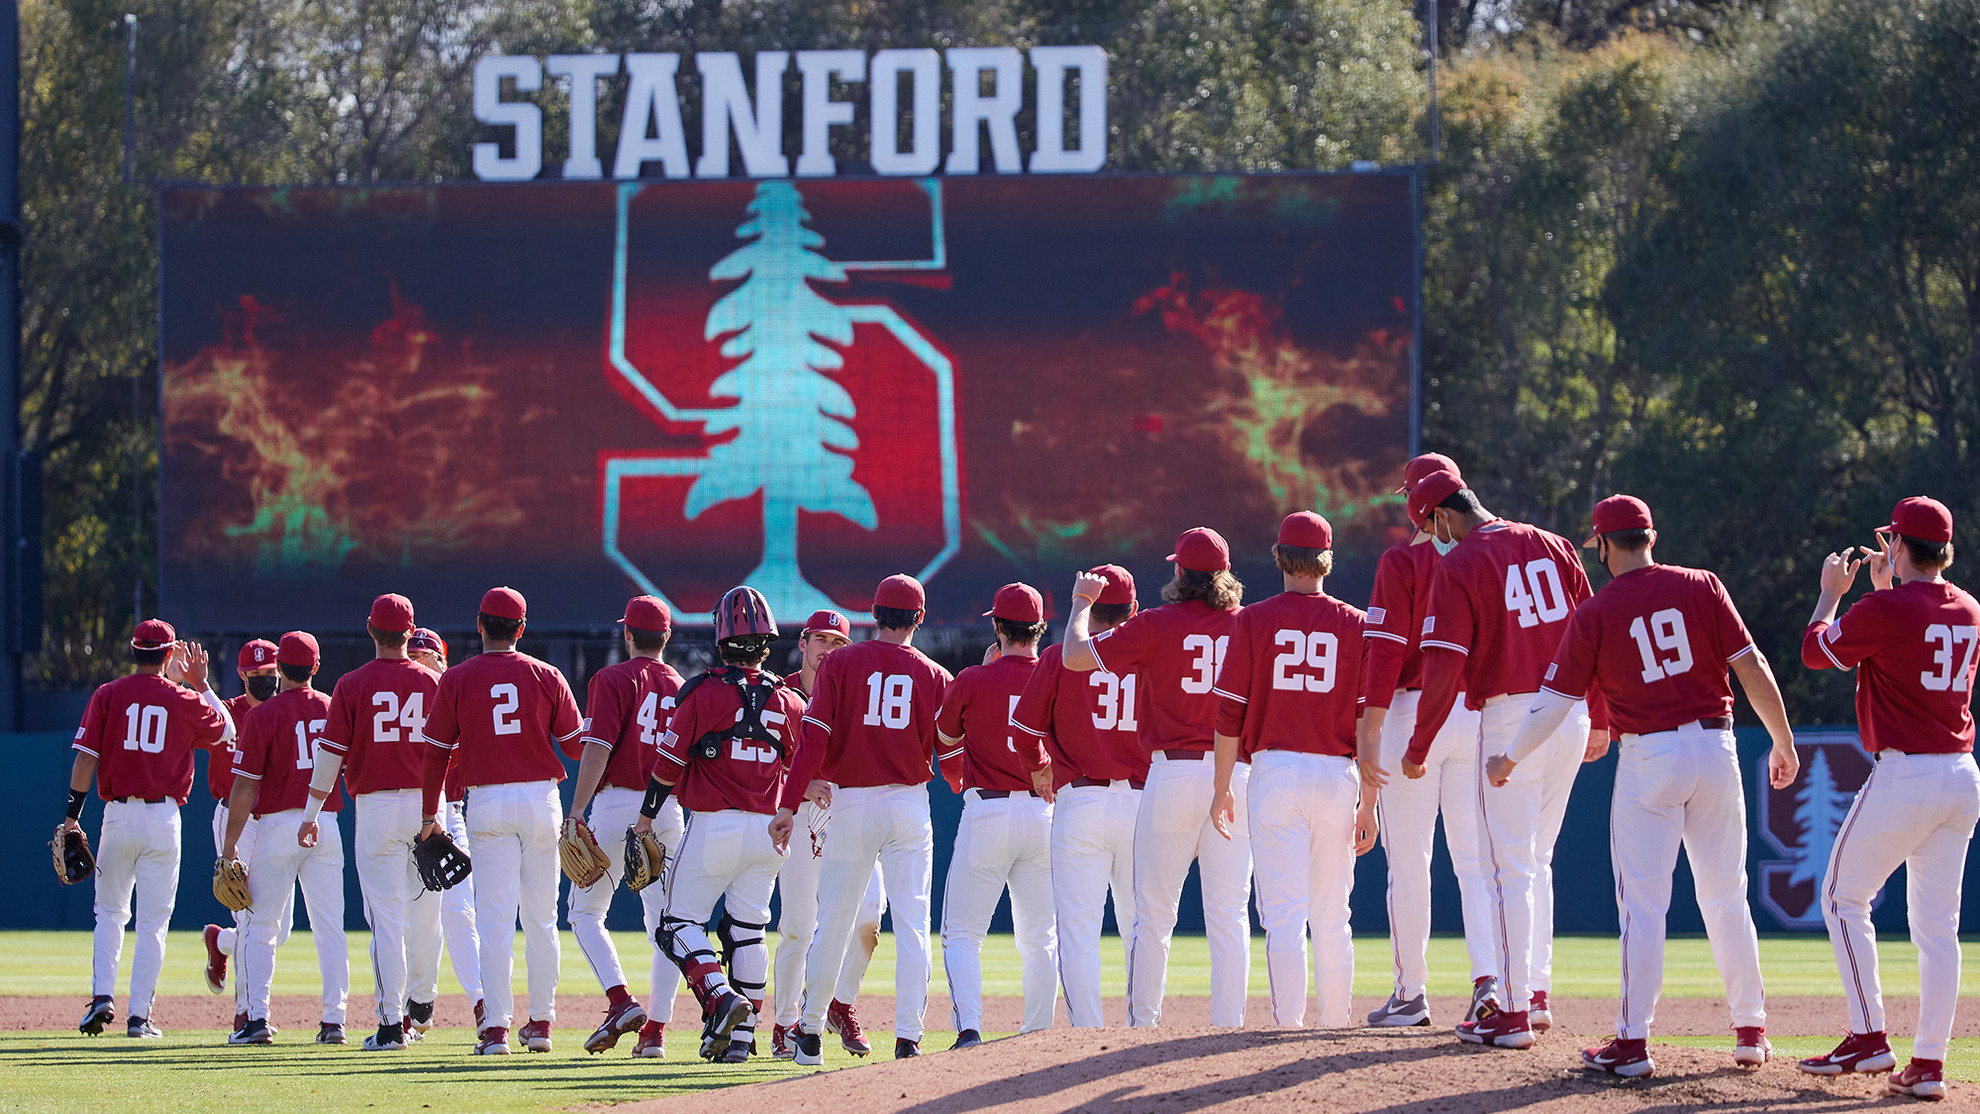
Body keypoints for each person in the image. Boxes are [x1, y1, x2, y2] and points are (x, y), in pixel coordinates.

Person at [1487, 495, 1797, 1077]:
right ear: (1651, 537)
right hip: (1716, 743)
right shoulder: (1702, 585)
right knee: (1726, 893)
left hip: (1650, 755)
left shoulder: (1597, 611)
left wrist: (1509, 756)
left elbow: (1554, 704)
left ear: (1603, 546)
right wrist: (1782, 739)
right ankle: (1751, 1029)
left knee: (1644, 905)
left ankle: (1632, 1043)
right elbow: (1752, 667)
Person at [1404, 471, 1608, 1049]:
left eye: (1427, 524)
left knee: (1506, 867)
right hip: (1568, 715)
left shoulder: (1461, 562)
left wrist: (1418, 745)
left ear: (1444, 515)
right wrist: (1604, 713)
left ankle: (1511, 1011)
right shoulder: (1552, 542)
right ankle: (1535, 993)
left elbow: (1442, 667)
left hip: (1510, 717)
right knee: (1535, 862)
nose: (1428, 536)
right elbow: (1595, 630)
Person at [1798, 496, 1979, 1101]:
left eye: (1892, 541)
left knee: (1841, 896)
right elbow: (1910, 634)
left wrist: (1832, 596)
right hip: (1961, 774)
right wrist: (1887, 589)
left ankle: (1869, 1035)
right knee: (1938, 930)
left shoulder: (1885, 607)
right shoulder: (1969, 607)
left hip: (1907, 773)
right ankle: (1928, 1064)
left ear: (1900, 545)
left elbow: (1814, 653)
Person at [1062, 527, 1249, 1028]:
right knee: (1229, 915)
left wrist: (1082, 604)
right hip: (1236, 775)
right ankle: (1228, 1028)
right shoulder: (1249, 624)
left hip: (1172, 776)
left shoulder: (1156, 624)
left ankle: (1142, 1027)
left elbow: (1074, 657)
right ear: (1225, 574)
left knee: (1154, 916)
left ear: (1181, 574)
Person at [774, 573, 953, 1064]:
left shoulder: (840, 663)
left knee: (833, 918)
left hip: (849, 802)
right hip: (908, 803)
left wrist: (789, 805)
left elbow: (812, 738)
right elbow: (951, 752)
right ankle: (908, 1038)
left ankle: (808, 1034)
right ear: (919, 617)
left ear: (874, 615)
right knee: (914, 923)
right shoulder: (937, 676)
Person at [1209, 512, 1378, 1027]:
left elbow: (1229, 711)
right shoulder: (1357, 623)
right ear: (1326, 560)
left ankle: (1288, 1026)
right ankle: (1335, 1025)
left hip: (1275, 770)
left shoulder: (1253, 619)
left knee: (1283, 916)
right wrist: (1370, 803)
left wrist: (1221, 788)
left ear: (1280, 555)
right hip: (1337, 773)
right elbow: (1369, 723)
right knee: (1333, 914)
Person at [1358, 457, 1496, 1028]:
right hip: (1480, 710)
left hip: (1414, 708)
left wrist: (1368, 731)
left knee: (1410, 864)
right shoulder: (1491, 551)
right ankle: (1494, 984)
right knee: (1478, 860)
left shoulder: (1403, 559)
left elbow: (1386, 652)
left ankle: (1411, 993)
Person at [641, 586, 806, 1064]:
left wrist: (646, 818)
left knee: (676, 925)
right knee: (749, 932)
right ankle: (741, 1038)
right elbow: (800, 768)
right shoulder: (789, 700)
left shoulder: (703, 691)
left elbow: (668, 764)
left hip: (715, 824)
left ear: (721, 638)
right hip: (769, 831)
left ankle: (719, 997)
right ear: (768, 641)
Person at [417, 587, 584, 1055]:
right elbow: (575, 745)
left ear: (479, 624)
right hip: (540, 800)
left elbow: (435, 755)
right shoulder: (546, 674)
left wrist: (430, 814)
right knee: (543, 919)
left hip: (487, 802)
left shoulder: (457, 679)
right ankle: (543, 1024)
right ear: (522, 629)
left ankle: (495, 1030)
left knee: (493, 922)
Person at [65, 620, 234, 1039]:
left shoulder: (108, 694)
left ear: (133, 650)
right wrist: (199, 684)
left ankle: (103, 995)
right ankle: (139, 1018)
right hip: (163, 819)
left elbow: (86, 759)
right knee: (153, 924)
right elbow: (228, 732)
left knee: (108, 913)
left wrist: (72, 816)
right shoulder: (180, 698)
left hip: (117, 815)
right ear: (169, 653)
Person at [304, 595, 445, 1052]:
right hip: (428, 805)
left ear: (370, 629)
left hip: (378, 808)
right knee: (426, 912)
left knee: (385, 918)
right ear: (411, 631)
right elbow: (450, 753)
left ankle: (390, 1024)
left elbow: (330, 756)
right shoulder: (432, 681)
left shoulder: (350, 684)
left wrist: (311, 812)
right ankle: (421, 1000)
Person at [1013, 564, 1147, 1029]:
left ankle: (1087, 1034)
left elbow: (1024, 733)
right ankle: (1142, 1029)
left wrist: (1039, 768)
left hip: (1080, 802)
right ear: (1133, 610)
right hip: (1143, 802)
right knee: (1142, 927)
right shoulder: (1152, 654)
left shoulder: (1056, 658)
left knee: (1078, 930)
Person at [565, 596, 688, 1058]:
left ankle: (620, 1001)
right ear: (667, 636)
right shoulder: (683, 684)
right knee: (666, 922)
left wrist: (577, 810)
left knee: (583, 913)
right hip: (668, 809)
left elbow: (597, 746)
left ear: (629, 635)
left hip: (618, 805)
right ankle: (654, 1032)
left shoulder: (612, 678)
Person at [936, 583, 1056, 1048]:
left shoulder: (971, 678)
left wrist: (984, 680)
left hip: (987, 810)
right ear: (1040, 629)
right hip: (1043, 812)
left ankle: (970, 1030)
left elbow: (945, 739)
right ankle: (1039, 1032)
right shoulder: (1056, 674)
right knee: (1041, 934)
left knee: (962, 935)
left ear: (998, 627)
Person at [222, 631, 350, 1046]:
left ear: (279, 669)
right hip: (324, 824)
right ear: (315, 667)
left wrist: (228, 848)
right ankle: (334, 1022)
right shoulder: (334, 707)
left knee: (261, 926)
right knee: (330, 927)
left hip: (278, 827)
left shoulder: (262, 715)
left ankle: (256, 1019)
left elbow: (243, 788)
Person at [770, 609, 888, 1059]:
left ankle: (840, 1004)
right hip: (799, 815)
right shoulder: (778, 694)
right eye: (821, 639)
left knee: (869, 918)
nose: (828, 649)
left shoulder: (858, 691)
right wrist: (799, 784)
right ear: (803, 643)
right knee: (799, 928)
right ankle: (785, 1024)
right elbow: (760, 761)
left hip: (850, 812)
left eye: (838, 643)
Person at [200, 639, 293, 1034]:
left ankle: (220, 942)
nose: (264, 681)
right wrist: (198, 686)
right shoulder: (230, 712)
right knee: (252, 919)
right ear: (241, 675)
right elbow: (208, 718)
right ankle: (246, 1012)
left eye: (270, 674)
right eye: (256, 675)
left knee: (278, 929)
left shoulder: (285, 711)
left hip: (272, 820)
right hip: (235, 818)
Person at [411, 627, 485, 1029]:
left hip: (449, 813)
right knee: (401, 915)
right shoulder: (401, 694)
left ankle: (480, 1001)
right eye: (415, 655)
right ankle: (410, 1005)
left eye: (431, 656)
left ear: (444, 660)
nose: (422, 661)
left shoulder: (457, 691)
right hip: (406, 809)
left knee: (460, 915)